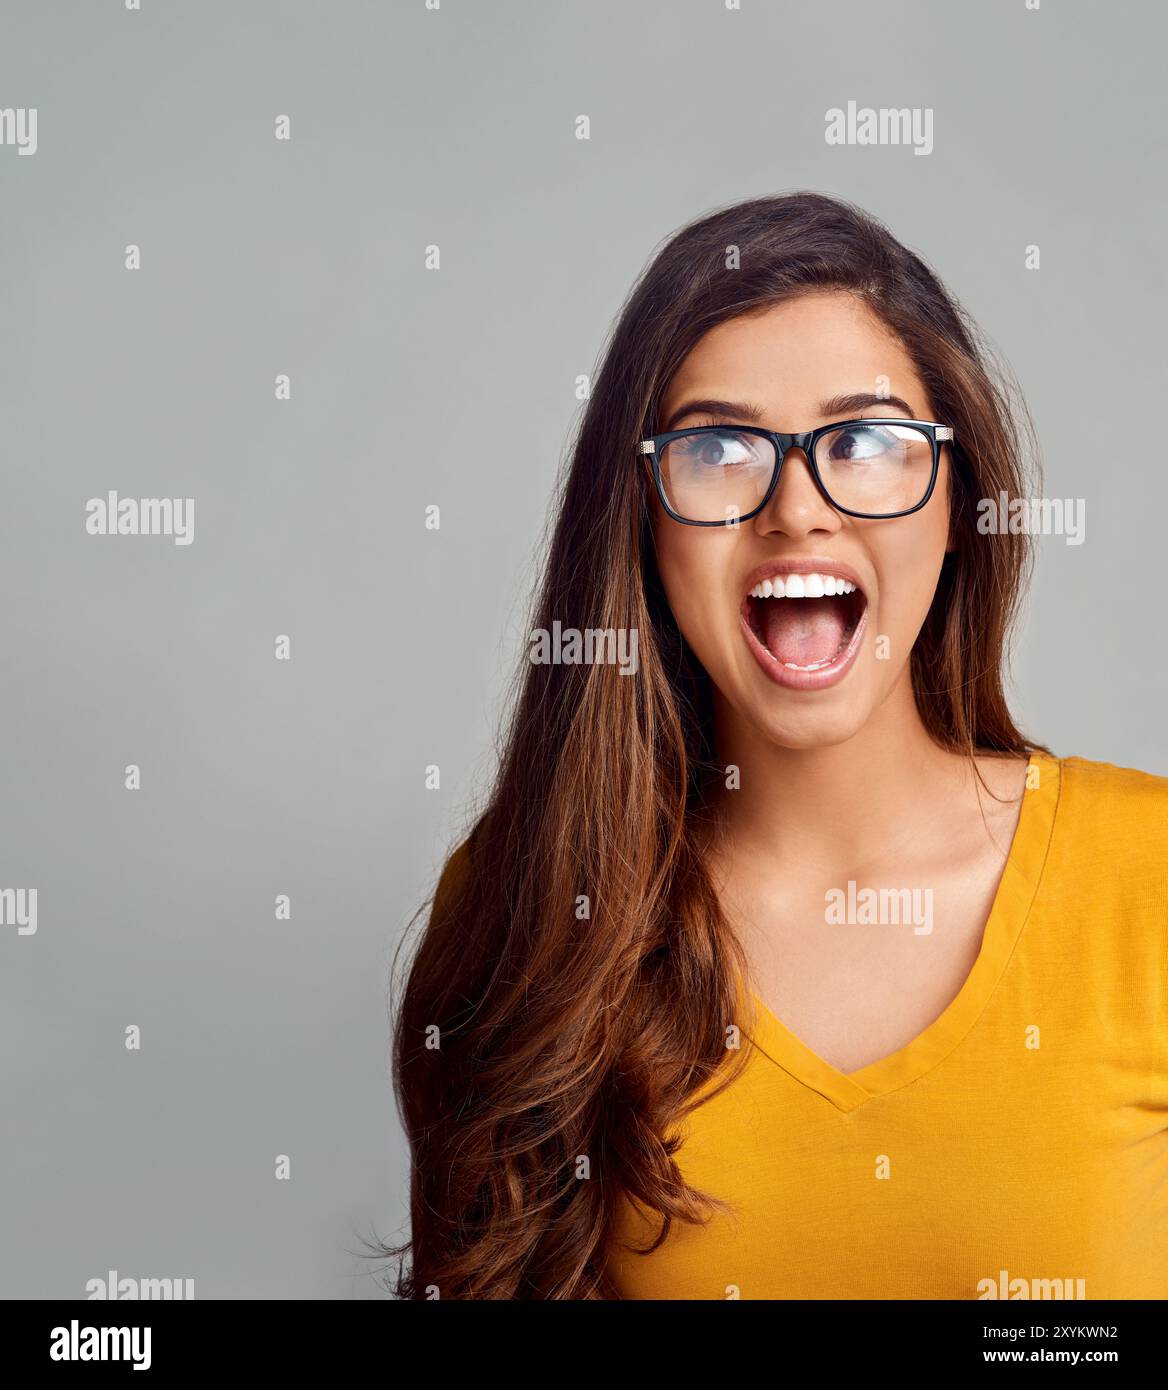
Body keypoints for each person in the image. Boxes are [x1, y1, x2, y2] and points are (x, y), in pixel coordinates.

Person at [385, 192, 1168, 1300]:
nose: (796, 508)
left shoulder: (1151, 874)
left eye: (865, 440)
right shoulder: (532, 905)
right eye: (717, 447)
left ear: (956, 496)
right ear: (641, 520)